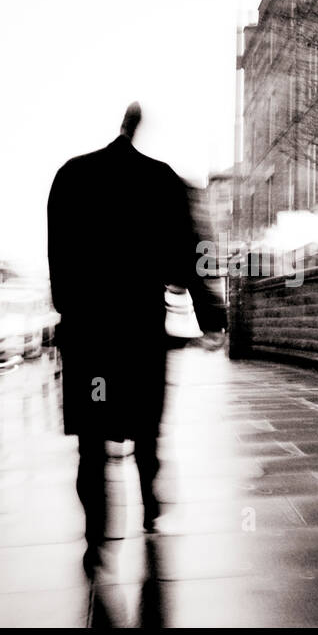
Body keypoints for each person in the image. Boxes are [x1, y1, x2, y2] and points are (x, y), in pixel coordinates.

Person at [46, 102, 225, 575]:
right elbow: (191, 255)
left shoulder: (71, 177)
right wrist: (210, 314)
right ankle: (151, 507)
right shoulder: (161, 180)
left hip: (87, 334)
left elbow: (58, 259)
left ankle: (97, 539)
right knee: (146, 430)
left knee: (91, 442)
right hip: (140, 329)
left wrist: (69, 309)